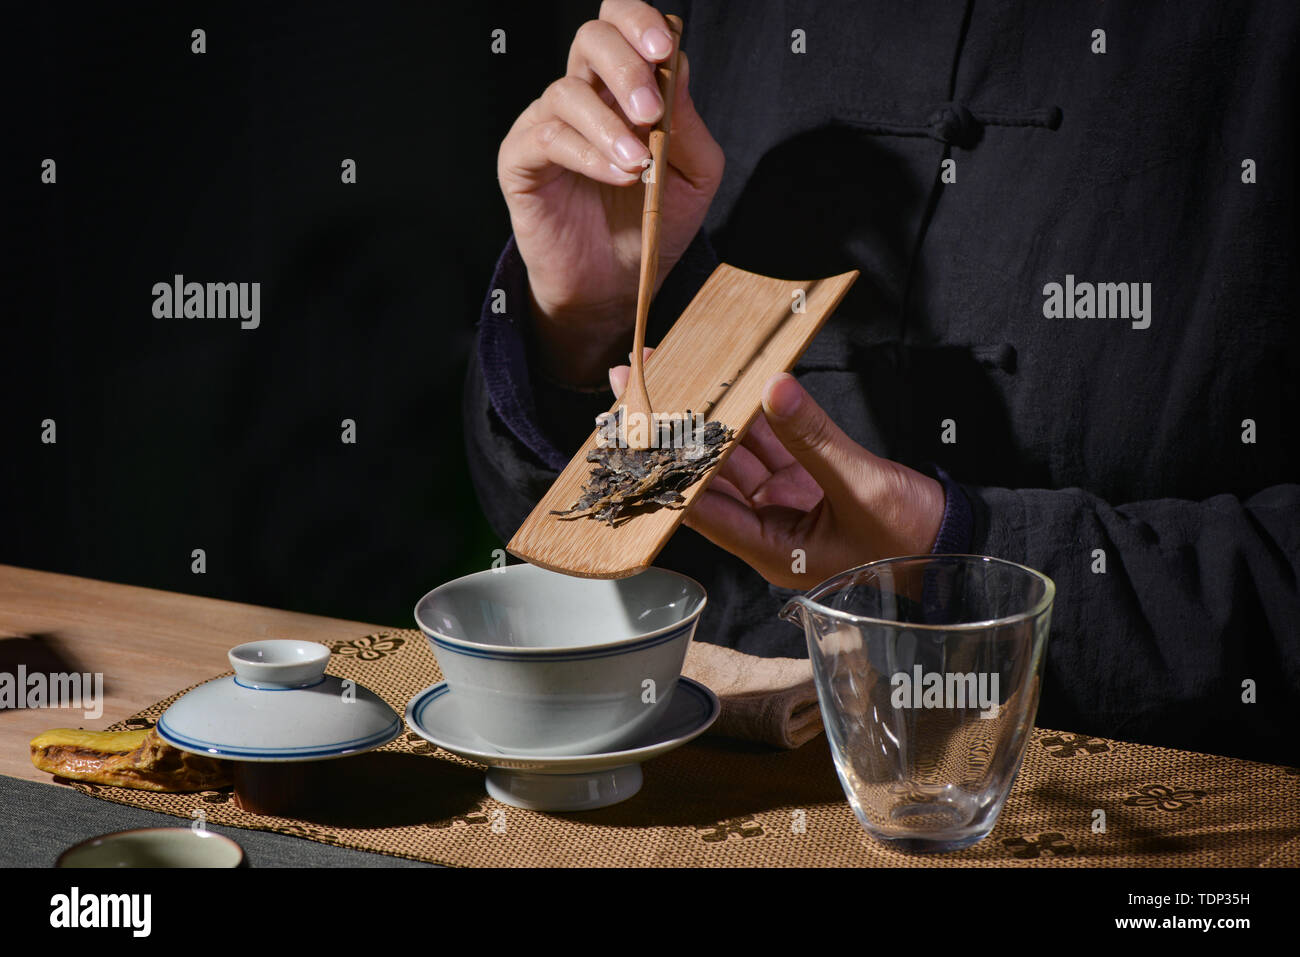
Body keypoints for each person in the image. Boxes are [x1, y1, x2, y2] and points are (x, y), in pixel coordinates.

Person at [464, 0, 1299, 764]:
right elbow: (580, 548)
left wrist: (948, 553)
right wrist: (590, 320)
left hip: (1137, 799)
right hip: (688, 769)